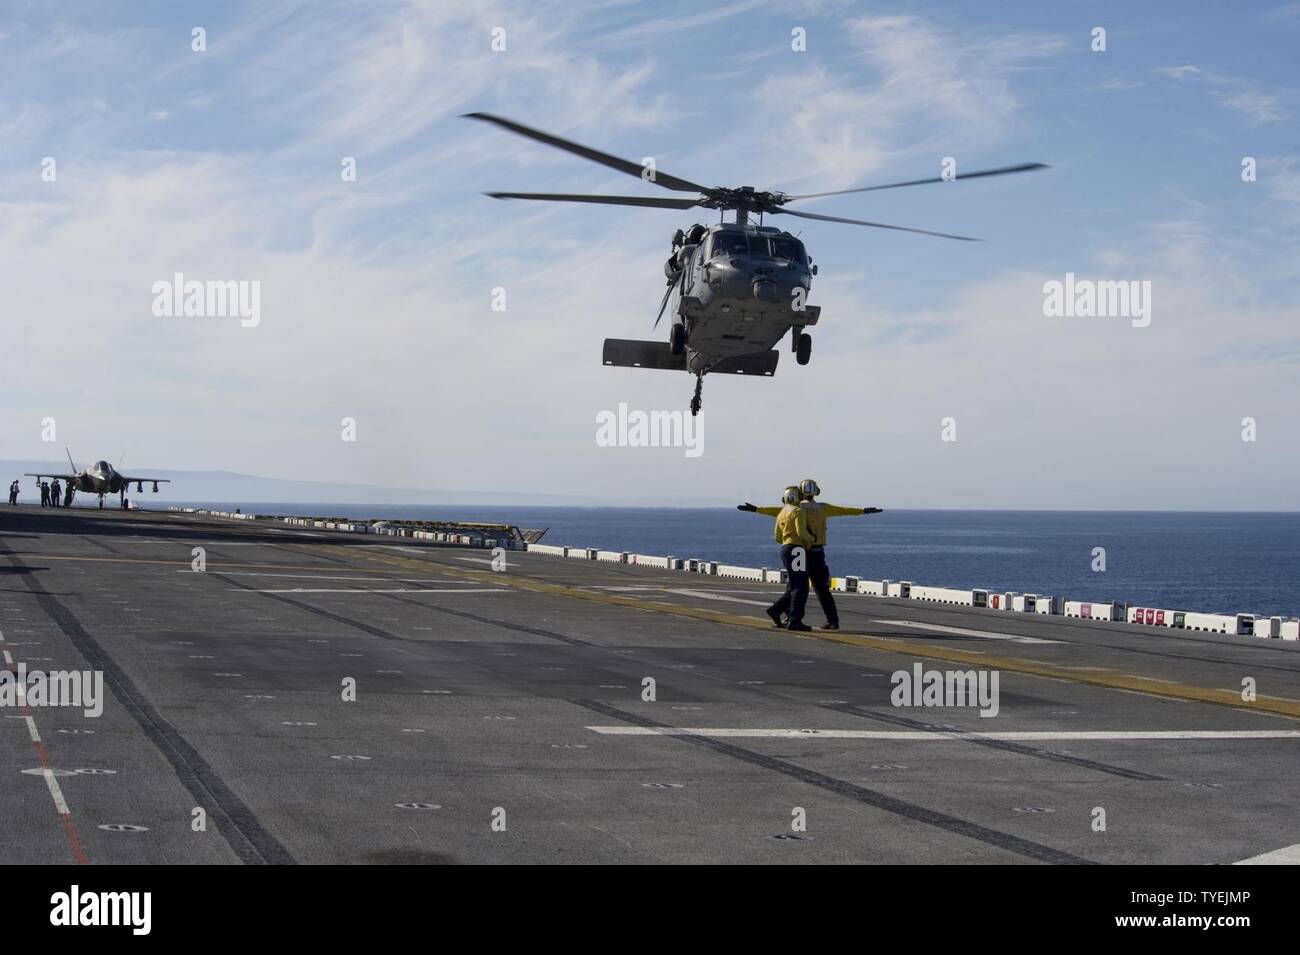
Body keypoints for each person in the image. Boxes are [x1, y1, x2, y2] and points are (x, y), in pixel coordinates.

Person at [739, 478, 882, 631]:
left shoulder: (795, 508)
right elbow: (845, 511)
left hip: (801, 551)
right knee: (821, 589)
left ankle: (785, 615)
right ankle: (832, 621)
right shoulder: (823, 508)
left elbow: (776, 512)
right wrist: (865, 511)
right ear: (816, 492)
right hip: (817, 553)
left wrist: (757, 509)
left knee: (795, 587)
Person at [760, 486, 815, 632]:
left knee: (793, 585)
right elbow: (801, 533)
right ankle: (795, 620)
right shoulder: (798, 511)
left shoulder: (781, 513)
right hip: (797, 549)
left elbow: (778, 537)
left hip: (785, 548)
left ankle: (776, 610)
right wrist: (811, 539)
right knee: (801, 586)